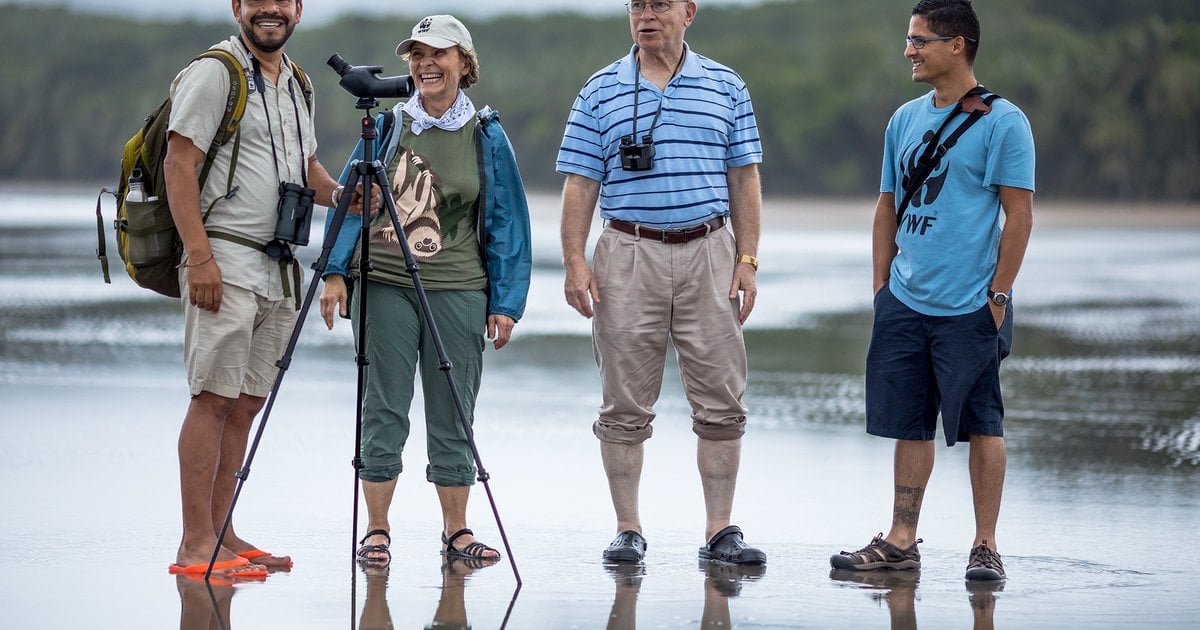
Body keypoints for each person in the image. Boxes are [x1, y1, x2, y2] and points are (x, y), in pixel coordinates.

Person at [829, 0, 1034, 582]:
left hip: (972, 304)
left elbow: (1018, 217)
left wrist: (997, 297)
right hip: (905, 300)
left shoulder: (1003, 122)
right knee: (909, 420)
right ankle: (901, 540)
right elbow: (887, 206)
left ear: (957, 45)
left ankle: (985, 545)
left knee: (983, 422)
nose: (909, 49)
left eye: (920, 39)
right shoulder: (903, 119)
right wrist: (881, 289)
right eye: (909, 38)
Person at [319, 14, 532, 566]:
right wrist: (334, 272)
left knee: (454, 409)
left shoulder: (486, 133)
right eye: (415, 54)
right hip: (384, 282)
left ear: (465, 63)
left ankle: (456, 532)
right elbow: (350, 199)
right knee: (384, 407)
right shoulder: (389, 126)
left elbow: (508, 219)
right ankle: (377, 531)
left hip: (459, 287)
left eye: (437, 53)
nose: (425, 64)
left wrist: (507, 302)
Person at [557, 0, 766, 566]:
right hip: (627, 251)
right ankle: (628, 528)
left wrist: (747, 258)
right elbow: (579, 183)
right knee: (623, 401)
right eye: (636, 5)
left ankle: (720, 530)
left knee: (722, 398)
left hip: (710, 249)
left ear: (688, 12)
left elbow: (744, 175)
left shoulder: (726, 85)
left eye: (659, 4)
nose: (645, 16)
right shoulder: (599, 89)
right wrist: (575, 262)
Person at [165, 0, 363, 579]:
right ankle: (194, 543)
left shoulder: (298, 81)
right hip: (222, 254)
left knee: (247, 401)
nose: (270, 8)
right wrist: (199, 258)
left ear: (299, 10)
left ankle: (223, 534)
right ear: (237, 7)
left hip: (280, 264)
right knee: (213, 397)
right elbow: (180, 166)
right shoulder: (215, 73)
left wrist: (350, 195)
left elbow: (307, 171)